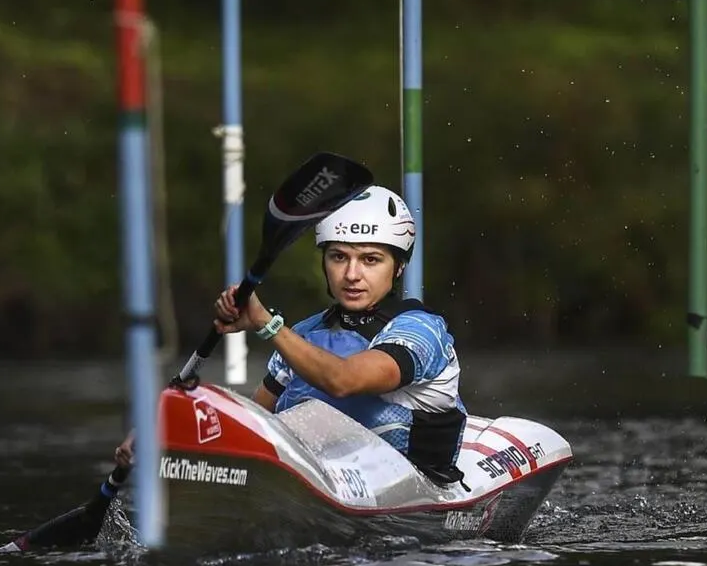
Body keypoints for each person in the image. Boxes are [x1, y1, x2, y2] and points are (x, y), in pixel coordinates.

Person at [116, 185, 467, 485]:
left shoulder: (421, 331)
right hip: (322, 481)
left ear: (399, 267)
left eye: (370, 260)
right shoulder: (305, 334)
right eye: (338, 257)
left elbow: (344, 380)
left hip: (413, 488)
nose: (351, 274)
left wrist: (266, 324)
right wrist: (164, 434)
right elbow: (252, 423)